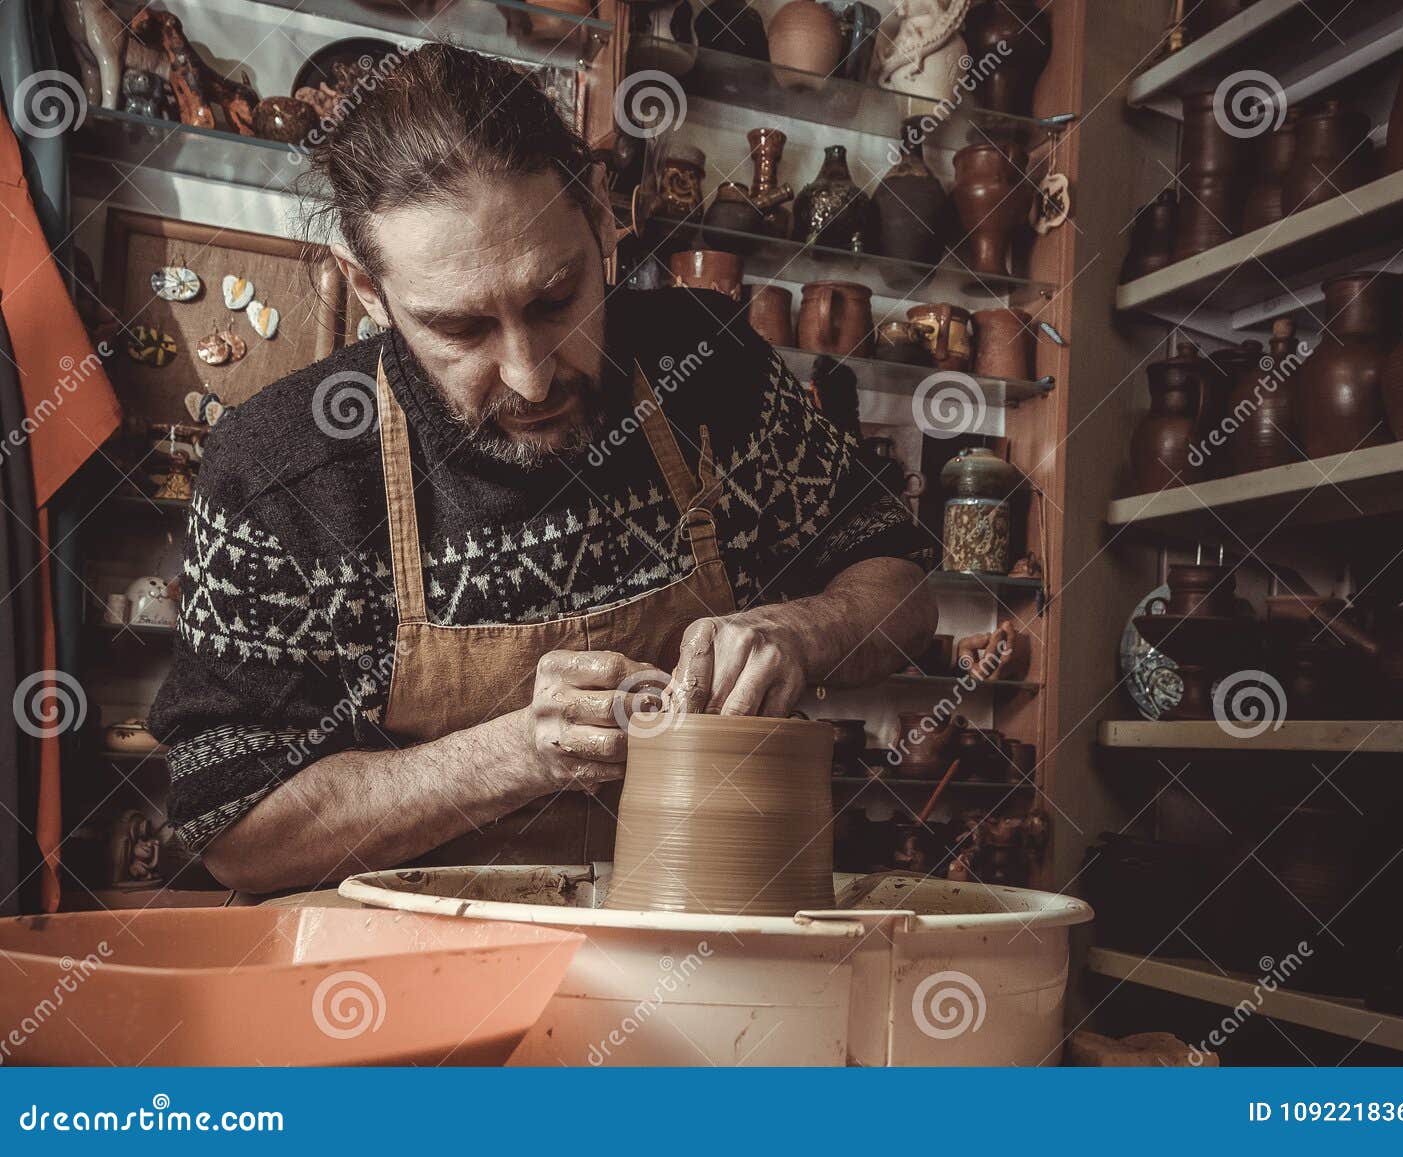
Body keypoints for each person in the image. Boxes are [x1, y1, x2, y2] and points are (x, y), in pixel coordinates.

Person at [148, 44, 937, 897]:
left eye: (556, 300)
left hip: (705, 949)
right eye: (461, 329)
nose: (530, 375)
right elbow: (232, 828)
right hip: (414, 992)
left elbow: (901, 588)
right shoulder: (280, 472)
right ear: (367, 287)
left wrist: (806, 630)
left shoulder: (708, 364)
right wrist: (515, 752)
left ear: (600, 218)